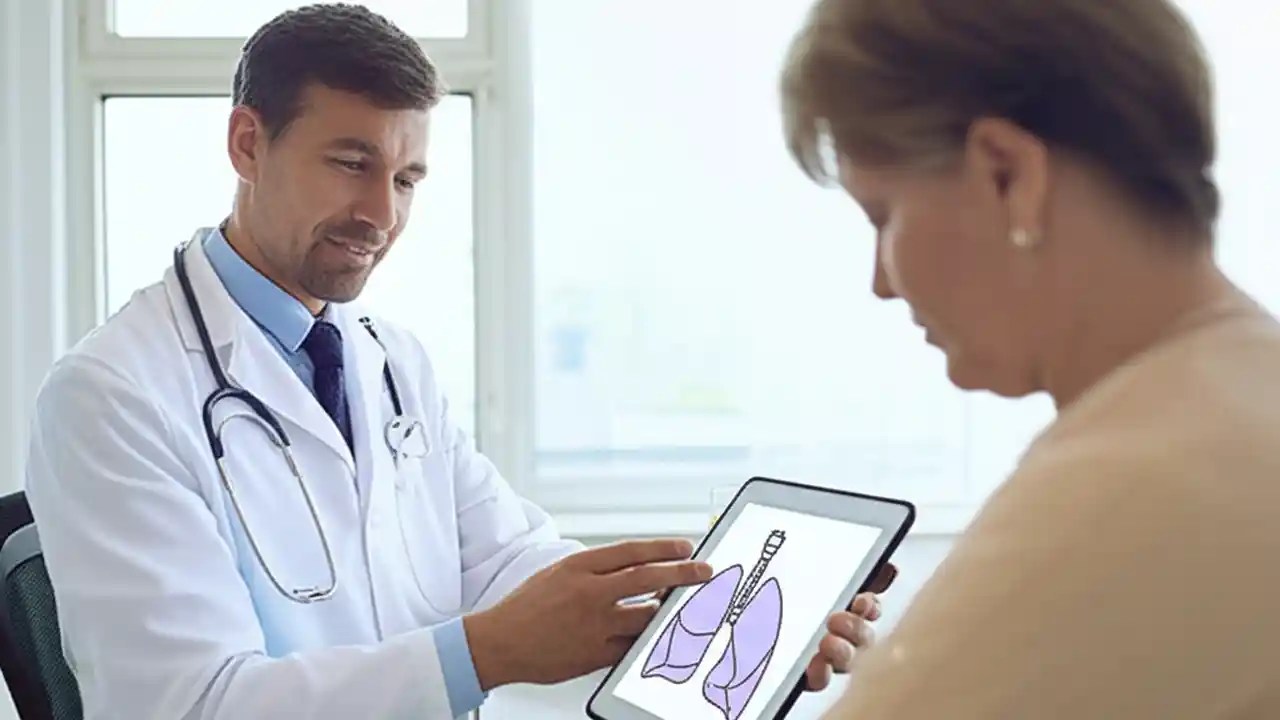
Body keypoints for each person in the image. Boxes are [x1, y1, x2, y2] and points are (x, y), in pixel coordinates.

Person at [24, 4, 886, 718]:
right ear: (248, 144)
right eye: (351, 163)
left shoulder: (392, 363)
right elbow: (187, 704)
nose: (380, 213)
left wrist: (708, 606)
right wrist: (485, 652)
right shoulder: (112, 396)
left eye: (407, 179)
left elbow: (509, 561)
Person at [778, 0, 1280, 717]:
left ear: (1007, 174)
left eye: (884, 216)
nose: (882, 283)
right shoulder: (1246, 393)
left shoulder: (1134, 485)